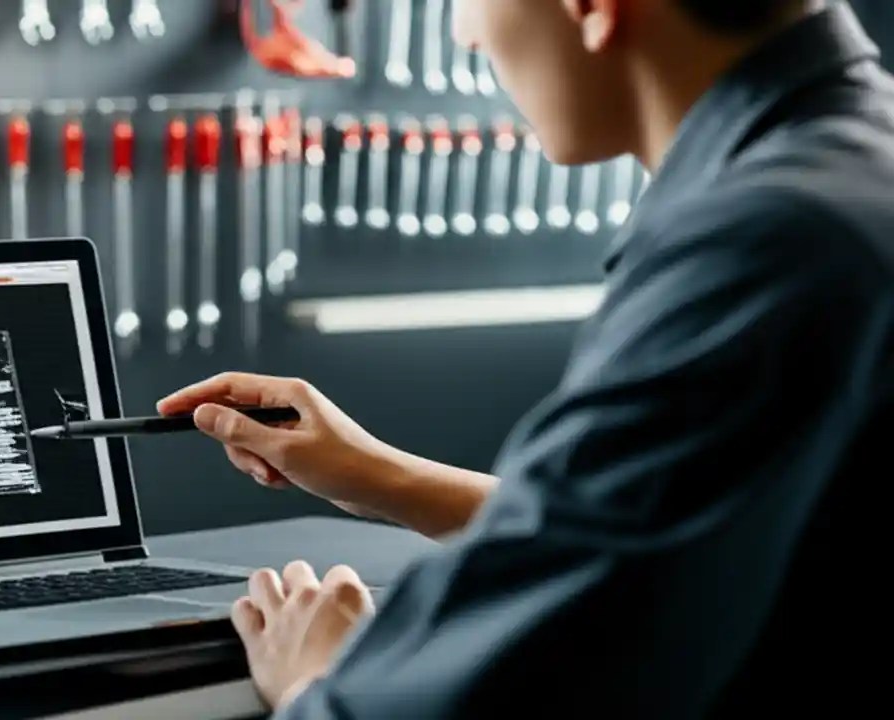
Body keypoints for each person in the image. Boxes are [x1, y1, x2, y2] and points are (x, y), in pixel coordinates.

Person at [156, 0, 894, 716]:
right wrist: (379, 476)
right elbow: (667, 525)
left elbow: (525, 677)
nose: (465, 34)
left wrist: (314, 682)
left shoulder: (763, 244)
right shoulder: (850, 164)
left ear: (592, 7)